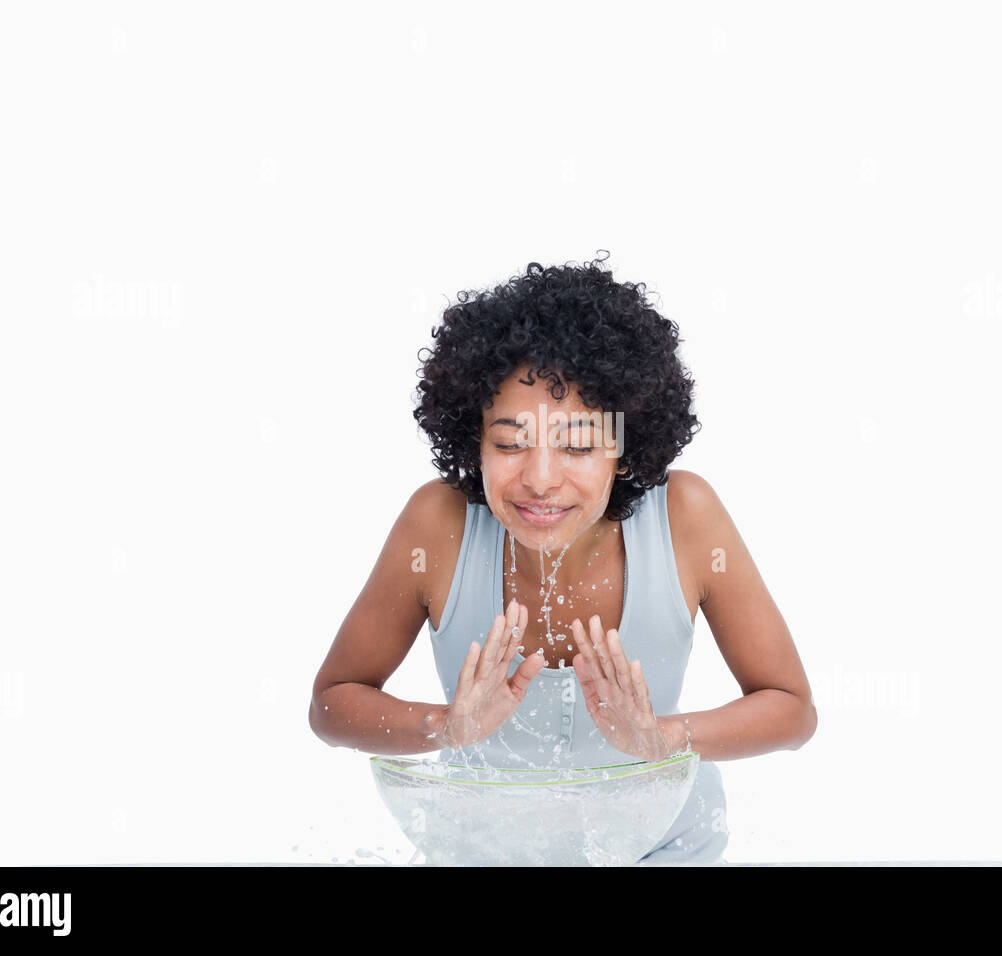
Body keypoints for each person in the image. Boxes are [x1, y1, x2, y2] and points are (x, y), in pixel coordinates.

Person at [309, 253, 817, 864]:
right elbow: (332, 702)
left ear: (624, 449)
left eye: (577, 444)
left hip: (666, 847)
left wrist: (660, 739)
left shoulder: (686, 516)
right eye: (509, 443)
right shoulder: (437, 523)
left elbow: (791, 710)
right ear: (475, 440)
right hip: (484, 851)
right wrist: (446, 726)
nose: (540, 479)